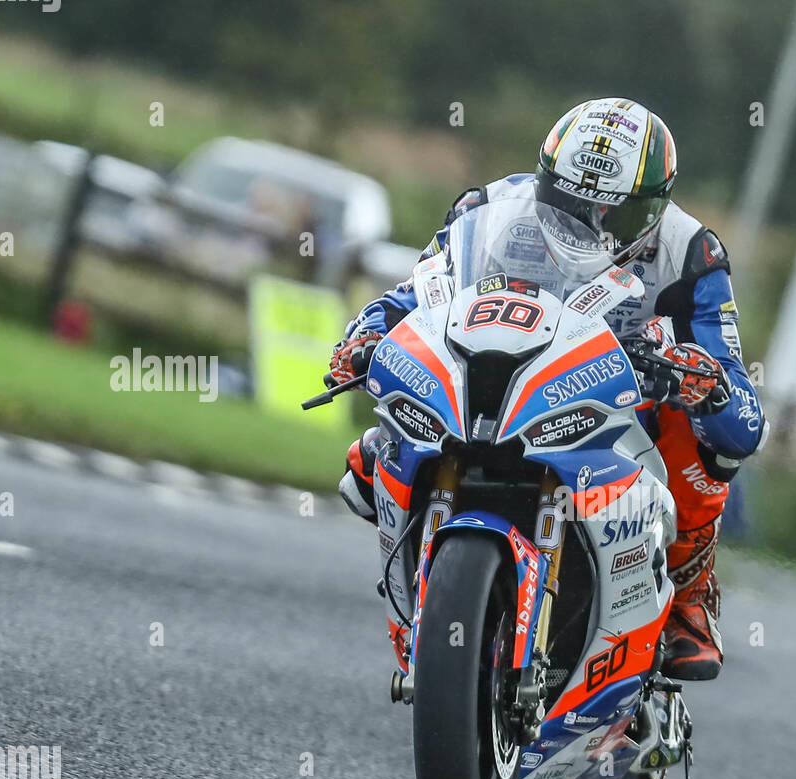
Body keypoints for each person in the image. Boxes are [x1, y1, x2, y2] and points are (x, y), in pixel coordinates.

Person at [327, 98, 765, 680]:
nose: (590, 225)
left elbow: (742, 412)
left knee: (711, 445)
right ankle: (398, 477)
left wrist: (705, 384)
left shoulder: (692, 253)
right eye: (570, 204)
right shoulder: (486, 208)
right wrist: (365, 336)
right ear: (545, 182)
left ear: (656, 207)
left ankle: (688, 595)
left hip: (619, 410)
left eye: (614, 214)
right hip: (496, 378)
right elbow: (414, 296)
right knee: (384, 424)